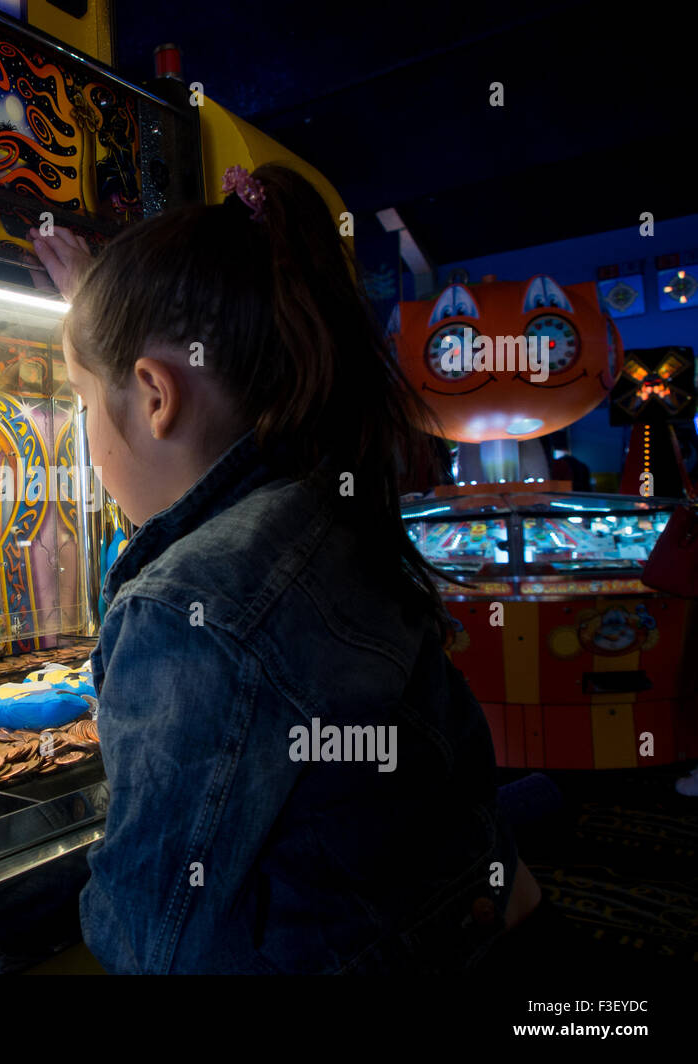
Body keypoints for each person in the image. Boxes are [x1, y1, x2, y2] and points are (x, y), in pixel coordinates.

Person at [28, 164, 541, 974]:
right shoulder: (330, 511)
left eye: (84, 400)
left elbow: (150, 939)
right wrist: (103, 323)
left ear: (156, 396)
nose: (89, 437)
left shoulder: (185, 605)